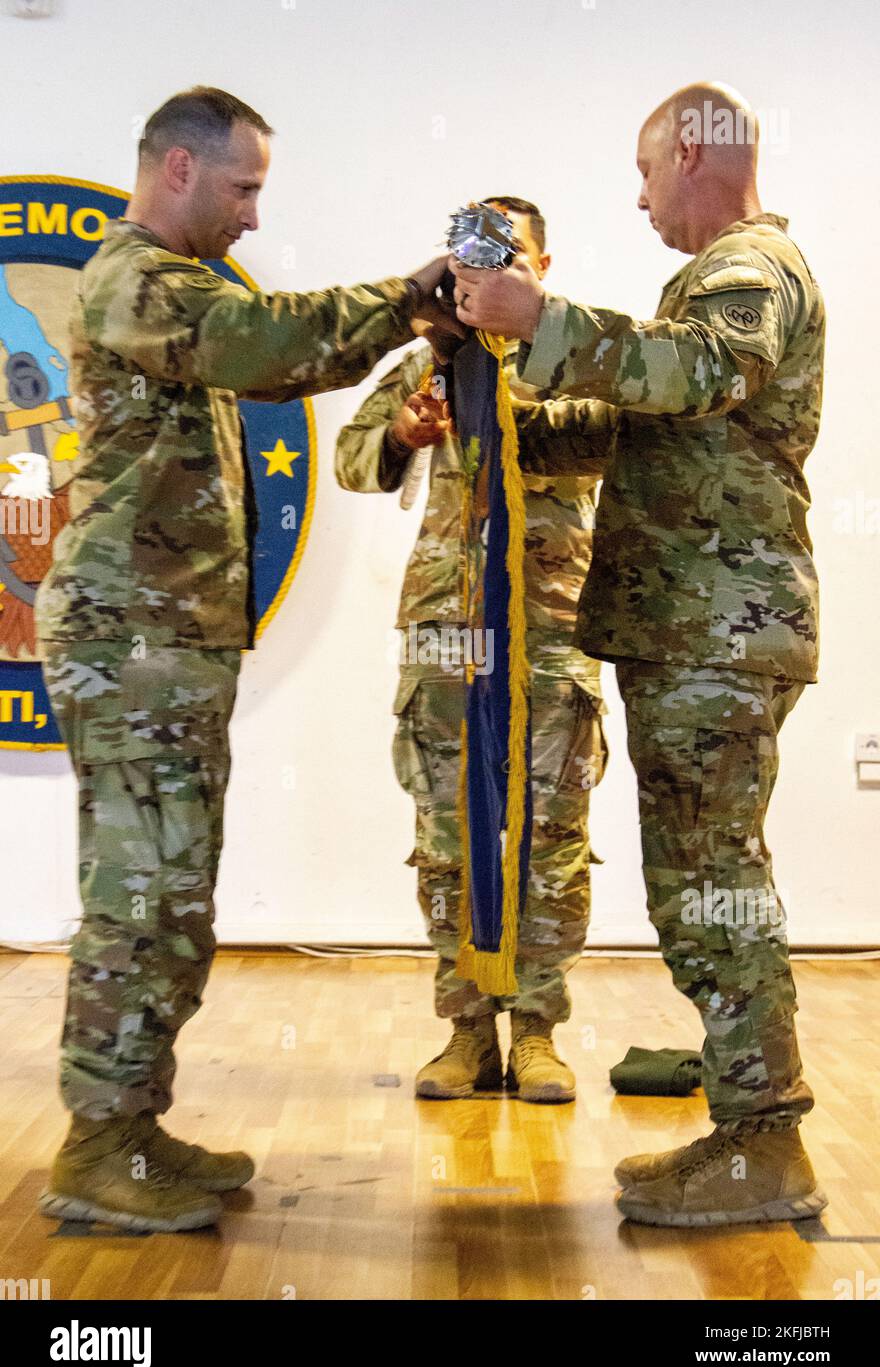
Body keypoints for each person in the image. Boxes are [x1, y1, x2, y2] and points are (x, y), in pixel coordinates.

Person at [35, 85, 451, 1233]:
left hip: (169, 638)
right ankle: (97, 1145)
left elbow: (269, 361)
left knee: (171, 889)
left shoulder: (182, 289)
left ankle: (134, 1126)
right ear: (178, 168)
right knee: (140, 894)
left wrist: (408, 318)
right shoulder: (137, 282)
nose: (254, 217)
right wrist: (408, 300)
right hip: (133, 640)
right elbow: (269, 346)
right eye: (244, 188)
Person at [450, 83, 827, 1228]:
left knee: (715, 886)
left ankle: (765, 1143)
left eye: (647, 170)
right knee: (702, 881)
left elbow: (702, 370)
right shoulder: (706, 281)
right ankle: (745, 1133)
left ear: (698, 157)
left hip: (717, 632)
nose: (640, 192)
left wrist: (542, 319)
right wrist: (512, 408)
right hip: (693, 631)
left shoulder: (747, 271)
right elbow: (648, 413)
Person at [336, 198, 607, 1105]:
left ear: (543, 264)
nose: (486, 271)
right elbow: (349, 458)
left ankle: (535, 1033)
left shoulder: (578, 358)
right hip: (446, 634)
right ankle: (465, 1033)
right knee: (448, 836)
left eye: (510, 255)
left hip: (550, 628)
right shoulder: (426, 362)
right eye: (471, 256)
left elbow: (622, 448)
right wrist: (402, 434)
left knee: (551, 839)